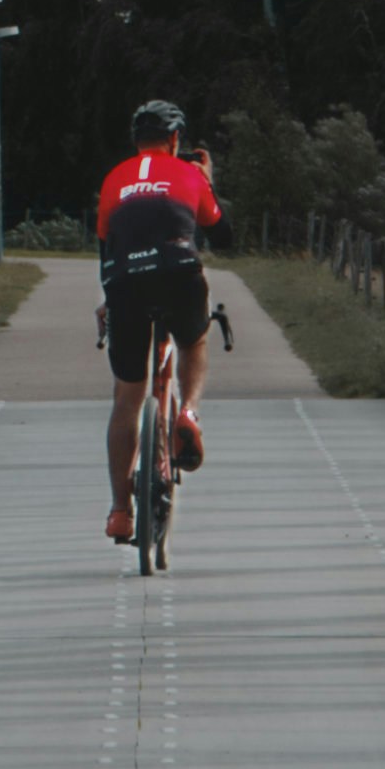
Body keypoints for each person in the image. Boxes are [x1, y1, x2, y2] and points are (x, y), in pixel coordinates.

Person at [94, 100, 221, 543]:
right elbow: (215, 224)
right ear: (174, 140)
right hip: (178, 271)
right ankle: (187, 412)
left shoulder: (114, 178)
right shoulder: (189, 173)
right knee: (194, 341)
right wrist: (207, 180)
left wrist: (107, 299)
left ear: (135, 143)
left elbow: (106, 245)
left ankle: (119, 511)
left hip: (124, 280)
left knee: (127, 398)